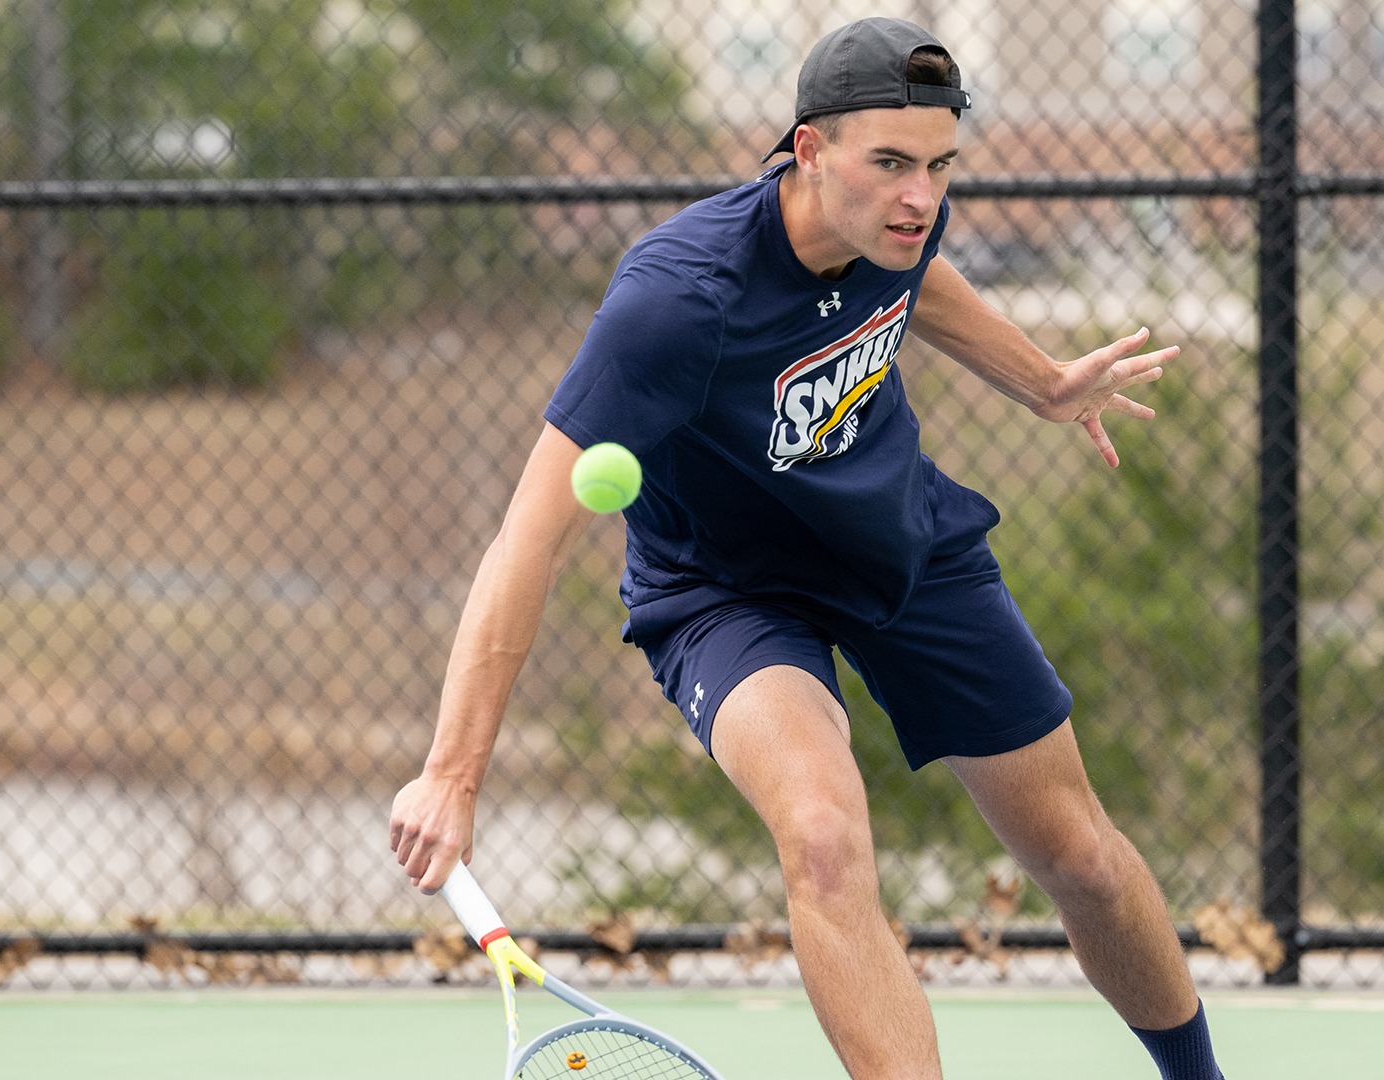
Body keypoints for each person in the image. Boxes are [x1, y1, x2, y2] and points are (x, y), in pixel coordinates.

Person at [389, 17, 1224, 1080]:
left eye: (937, 165)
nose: (918, 196)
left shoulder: (897, 220)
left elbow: (923, 281)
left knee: (1081, 858)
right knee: (824, 838)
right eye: (888, 164)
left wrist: (1044, 382)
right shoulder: (678, 302)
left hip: (901, 547)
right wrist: (452, 775)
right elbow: (527, 540)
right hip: (725, 597)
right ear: (807, 151)